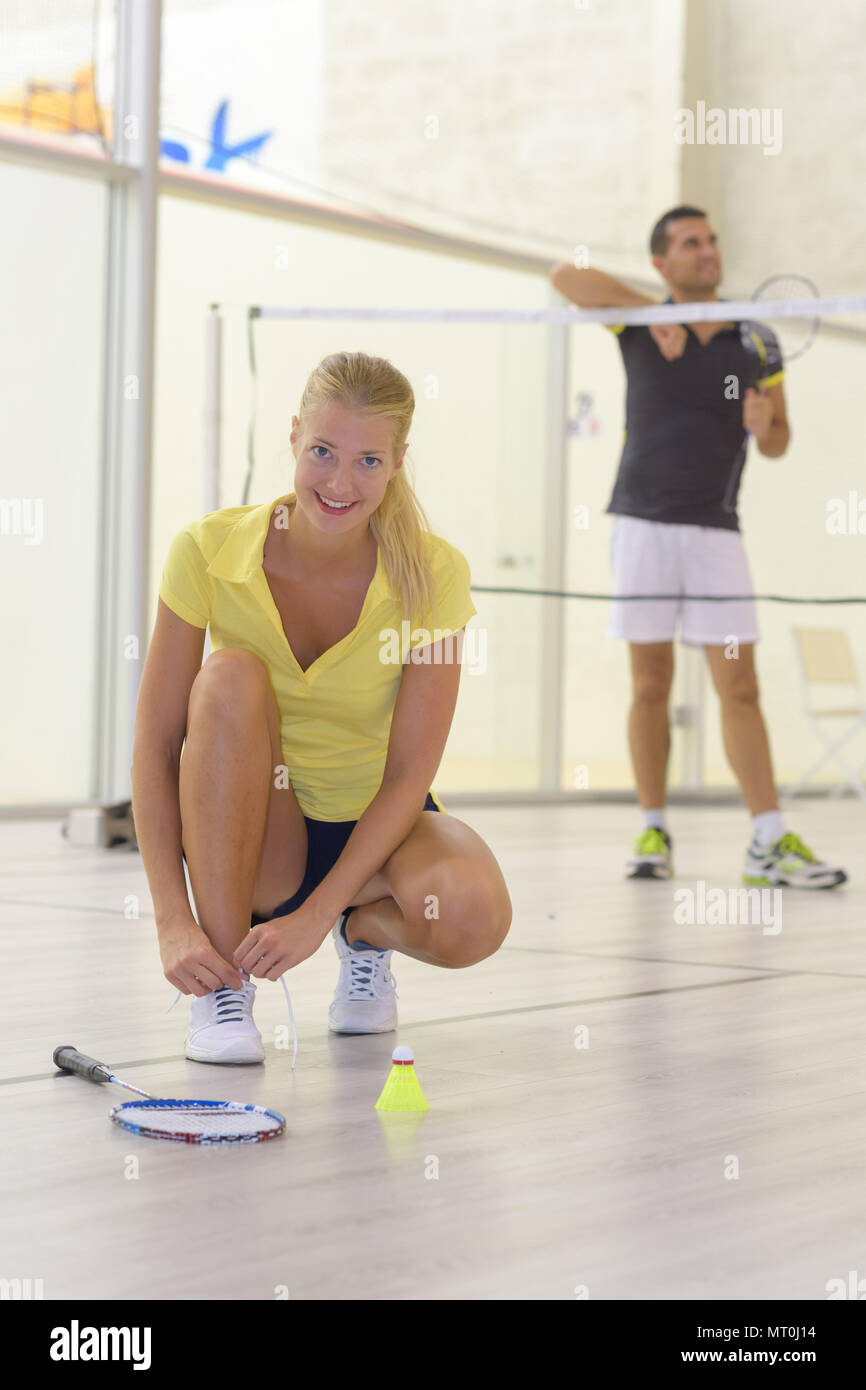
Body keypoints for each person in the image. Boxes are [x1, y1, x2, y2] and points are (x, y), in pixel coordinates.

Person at [131, 350, 512, 1065]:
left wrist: (317, 917)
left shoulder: (434, 574)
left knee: (470, 916)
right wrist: (171, 920)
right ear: (293, 438)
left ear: (400, 461)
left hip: (378, 835)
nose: (340, 482)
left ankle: (361, 932)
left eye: (369, 461)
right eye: (324, 452)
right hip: (260, 844)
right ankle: (222, 978)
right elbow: (156, 744)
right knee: (227, 679)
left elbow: (410, 773)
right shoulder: (206, 551)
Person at [551, 206, 847, 888]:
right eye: (691, 243)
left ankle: (767, 840)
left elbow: (778, 443)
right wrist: (661, 314)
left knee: (738, 685)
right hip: (643, 525)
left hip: (717, 531)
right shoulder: (640, 322)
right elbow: (567, 275)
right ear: (662, 263)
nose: (708, 251)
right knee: (649, 685)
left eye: (711, 240)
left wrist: (767, 422)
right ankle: (653, 827)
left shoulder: (758, 340)